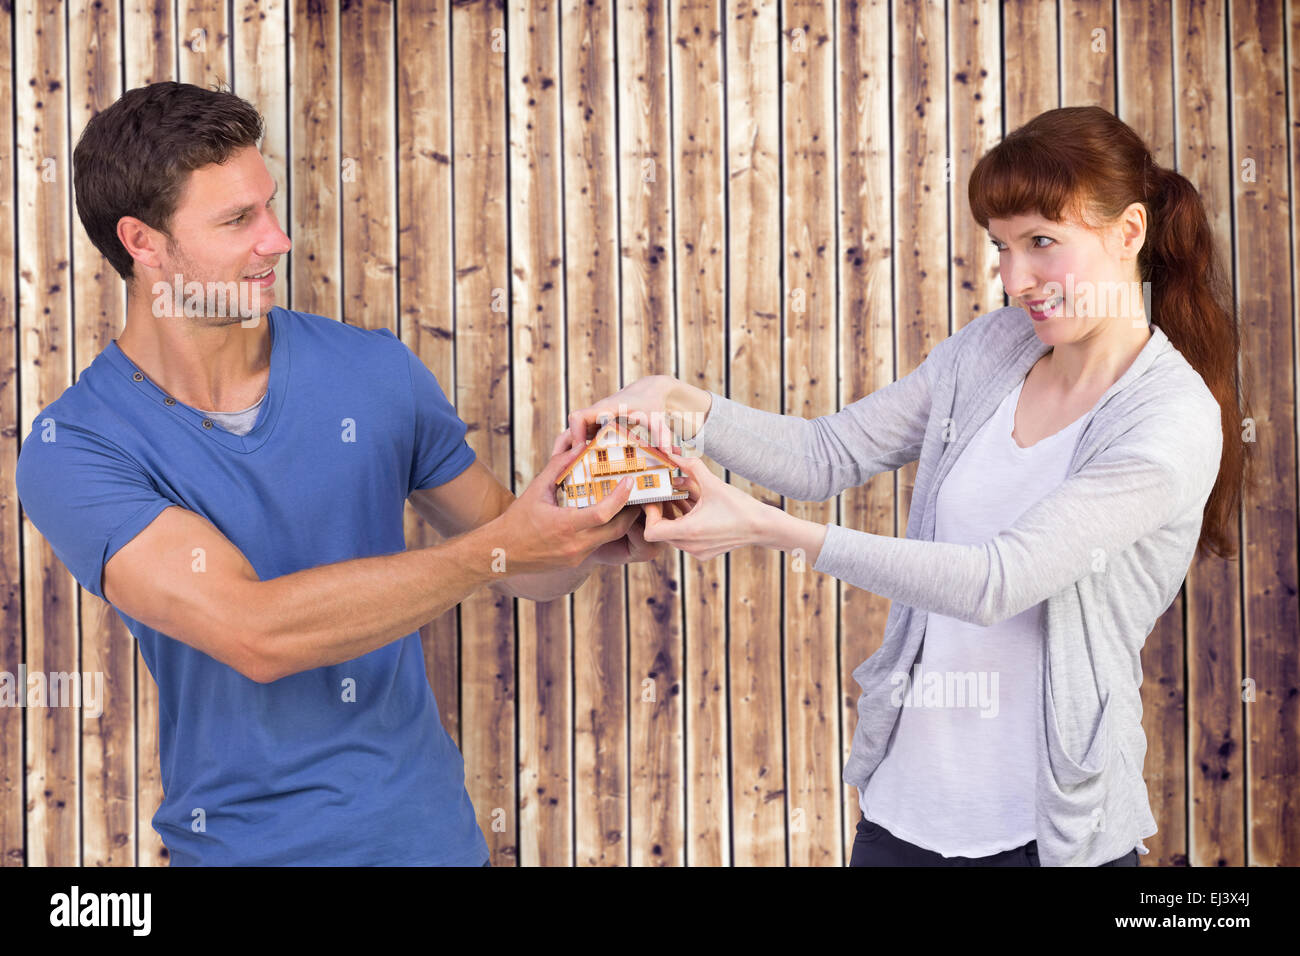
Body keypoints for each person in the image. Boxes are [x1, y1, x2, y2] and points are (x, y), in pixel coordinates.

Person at [561, 106, 1253, 867]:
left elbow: (998, 581)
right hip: (901, 816)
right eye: (1002, 247)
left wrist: (768, 528)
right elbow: (827, 454)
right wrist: (678, 402)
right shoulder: (995, 347)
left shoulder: (1169, 419)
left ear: (1129, 232)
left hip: (1047, 836)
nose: (1016, 280)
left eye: (1041, 243)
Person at [14, 81, 660, 866]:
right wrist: (501, 550)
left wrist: (583, 525)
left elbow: (529, 567)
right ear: (142, 243)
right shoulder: (76, 447)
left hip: (433, 847)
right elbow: (255, 633)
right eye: (238, 220)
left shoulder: (374, 372)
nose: (278, 240)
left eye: (269, 206)